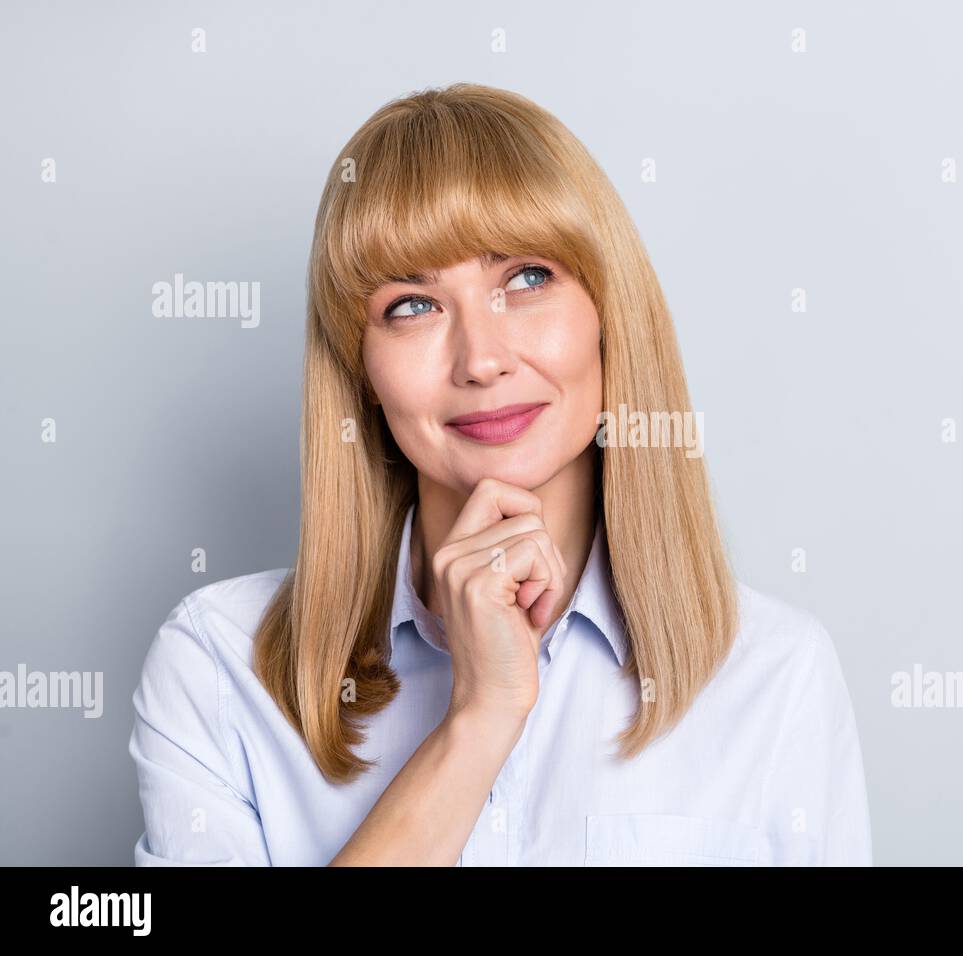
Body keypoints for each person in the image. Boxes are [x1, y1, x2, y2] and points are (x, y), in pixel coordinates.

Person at [128, 83, 871, 866]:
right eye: (413, 305)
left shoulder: (775, 676)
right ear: (361, 372)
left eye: (526, 279)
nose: (481, 360)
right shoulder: (218, 666)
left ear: (610, 316)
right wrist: (478, 723)